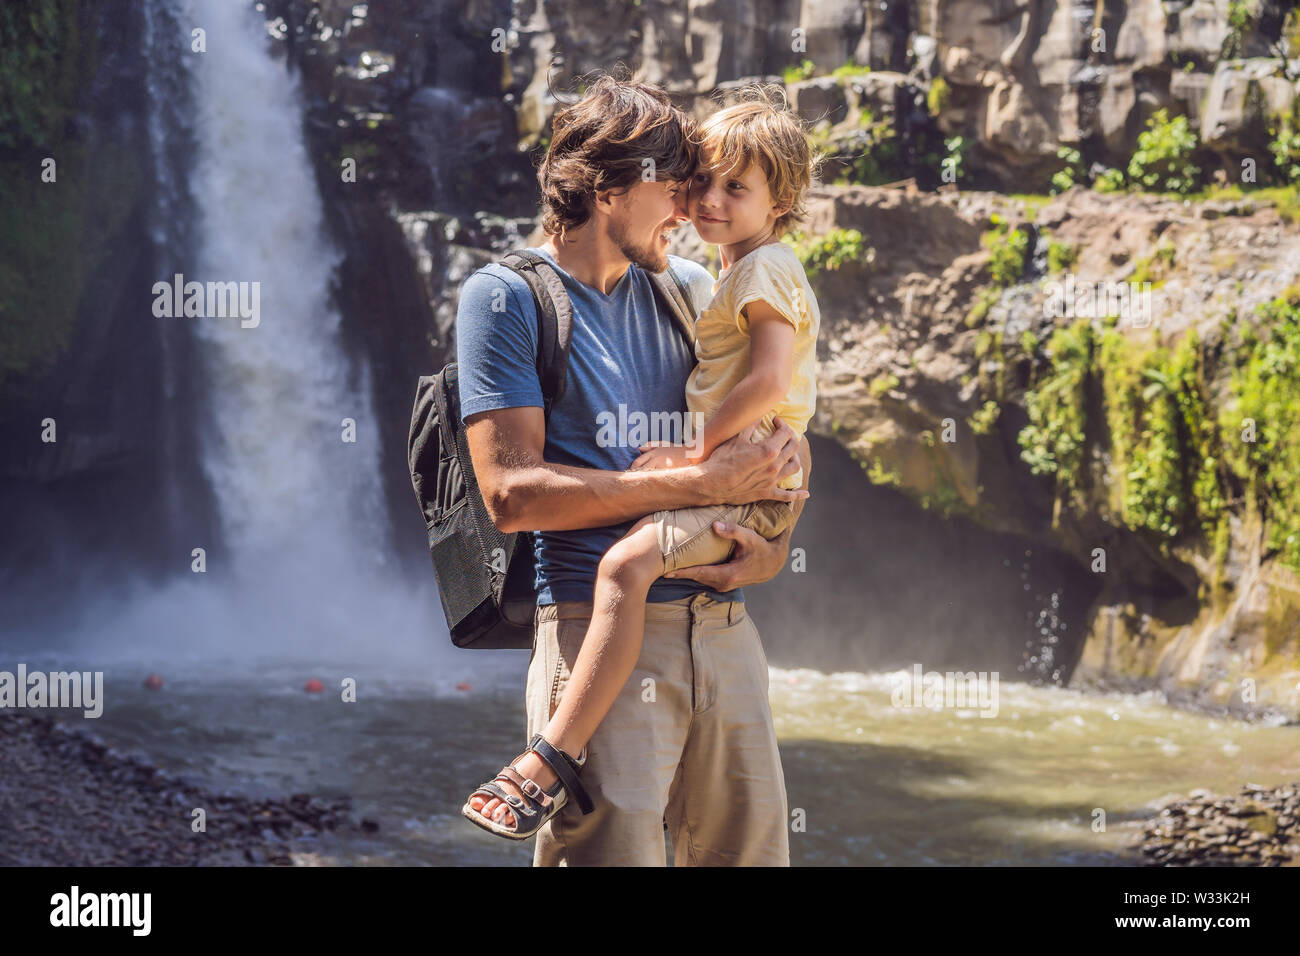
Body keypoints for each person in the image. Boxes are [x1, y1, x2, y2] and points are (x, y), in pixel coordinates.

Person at [454, 72, 813, 866]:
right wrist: (698, 483)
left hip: (723, 631)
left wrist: (771, 544)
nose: (691, 210)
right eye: (677, 190)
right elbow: (511, 496)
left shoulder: (688, 290)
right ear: (612, 189)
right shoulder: (509, 299)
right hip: (596, 629)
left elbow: (771, 425)